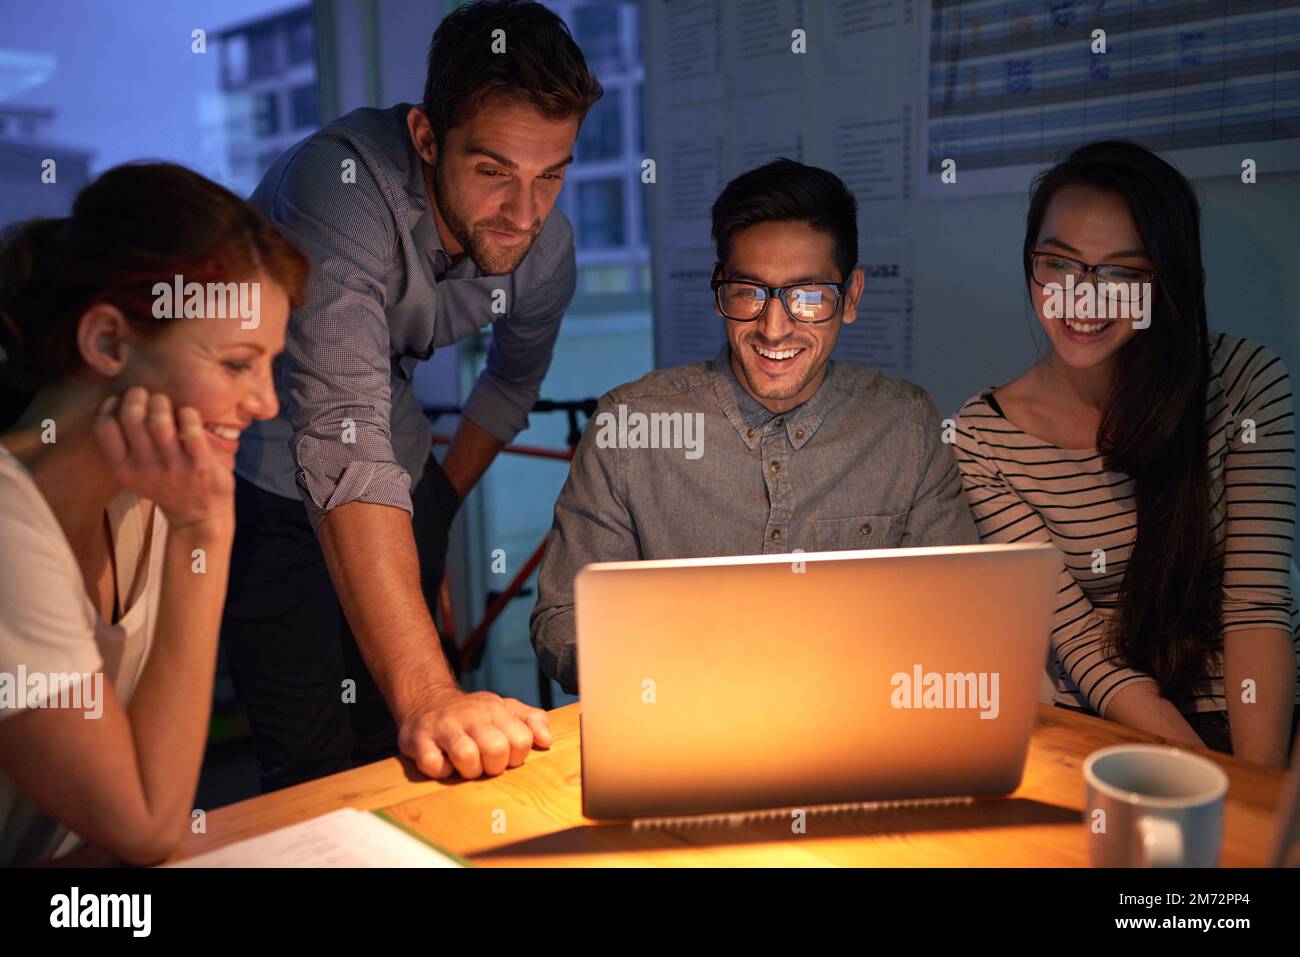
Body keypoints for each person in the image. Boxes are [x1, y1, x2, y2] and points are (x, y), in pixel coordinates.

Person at [223, 0, 603, 790]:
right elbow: (340, 431)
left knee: (396, 752)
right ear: (426, 137)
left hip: (394, 467)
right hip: (266, 474)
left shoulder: (546, 244)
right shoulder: (338, 186)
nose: (525, 214)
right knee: (309, 766)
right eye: (494, 171)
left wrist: (439, 495)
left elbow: (511, 378)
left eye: (551, 176)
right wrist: (432, 692)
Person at [531, 159, 978, 693]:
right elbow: (562, 622)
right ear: (720, 287)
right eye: (749, 292)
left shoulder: (906, 426)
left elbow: (956, 619)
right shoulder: (630, 427)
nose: (773, 327)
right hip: (683, 737)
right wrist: (683, 663)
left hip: (856, 738)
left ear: (851, 297)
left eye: (808, 296)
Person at [952, 140, 1298, 768]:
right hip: (1110, 719)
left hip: (1259, 717)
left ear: (1166, 278)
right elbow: (1079, 641)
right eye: (1058, 263)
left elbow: (1256, 607)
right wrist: (1202, 774)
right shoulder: (984, 435)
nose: (1082, 298)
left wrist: (1256, 789)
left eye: (1121, 273)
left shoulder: (1246, 381)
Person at [0, 162, 307, 864]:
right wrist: (207, 533)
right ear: (108, 342)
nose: (266, 403)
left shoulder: (151, 493)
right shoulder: (8, 523)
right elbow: (146, 824)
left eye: (271, 365)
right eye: (236, 363)